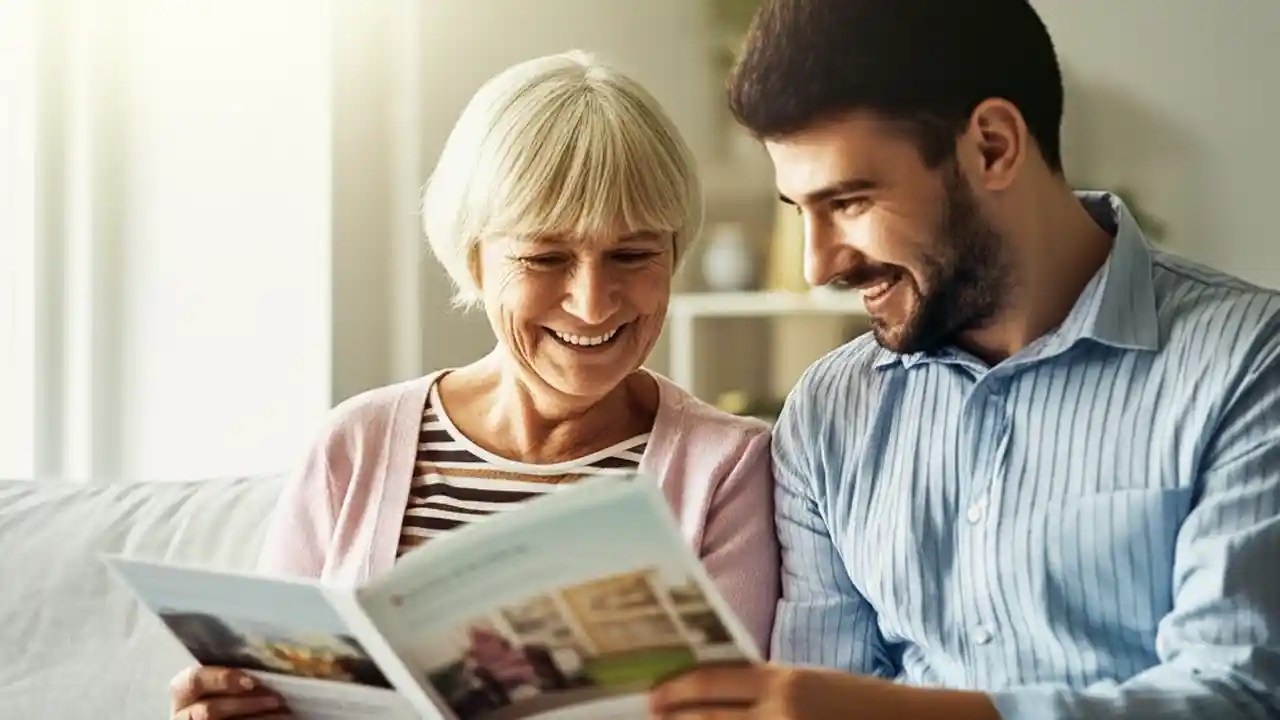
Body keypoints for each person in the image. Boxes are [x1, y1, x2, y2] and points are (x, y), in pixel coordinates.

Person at [649, 1, 1280, 718]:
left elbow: (1241, 697)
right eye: (800, 211)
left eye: (850, 201)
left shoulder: (1251, 364)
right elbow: (817, 688)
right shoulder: (829, 412)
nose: (818, 264)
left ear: (992, 146)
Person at [168, 50, 780, 720]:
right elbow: (271, 688)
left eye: (632, 255)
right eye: (545, 257)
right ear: (475, 261)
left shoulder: (728, 468)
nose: (593, 302)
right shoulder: (358, 443)